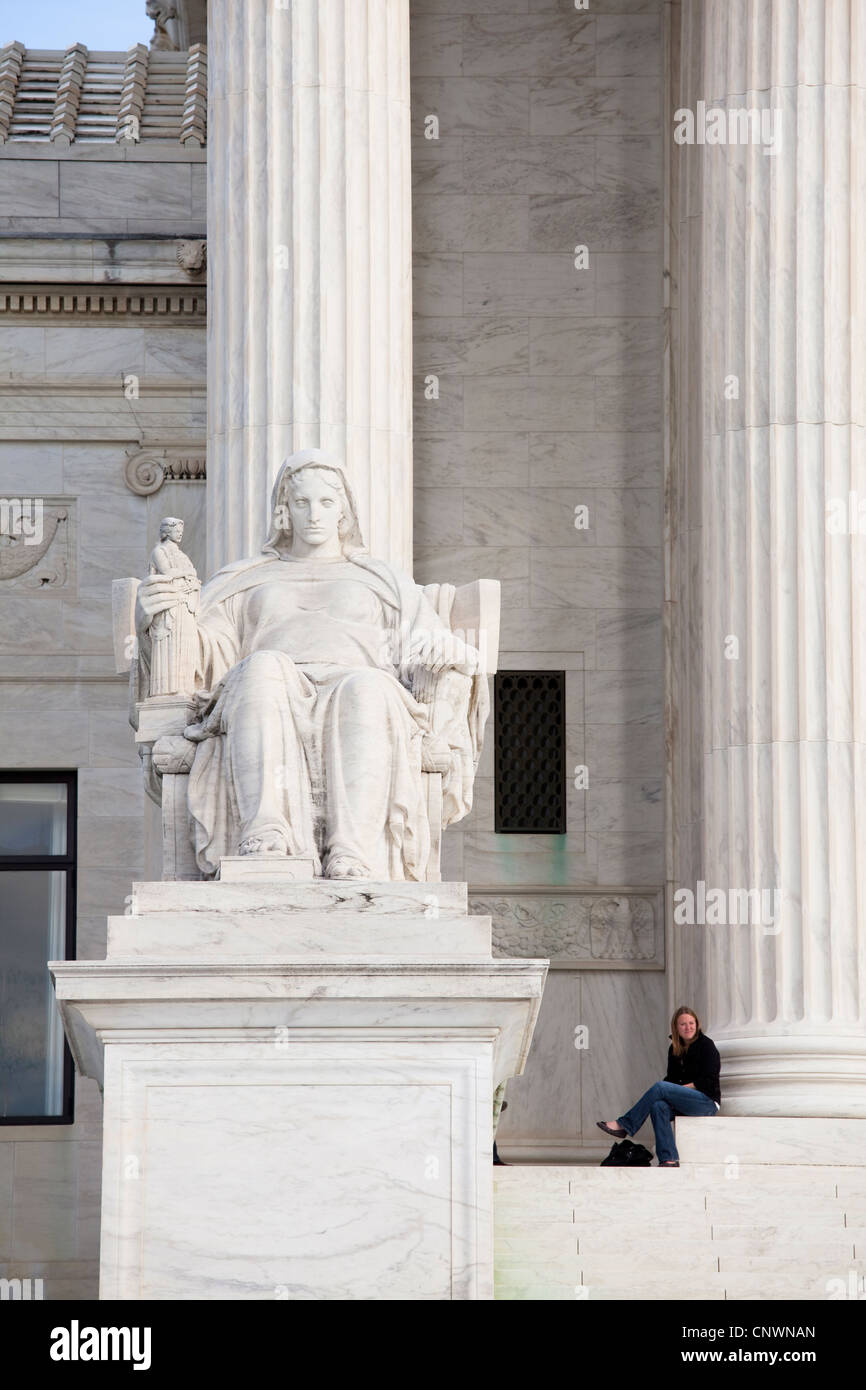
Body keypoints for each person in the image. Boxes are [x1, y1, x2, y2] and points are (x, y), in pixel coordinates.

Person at [134, 449, 488, 879]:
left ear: (344, 512)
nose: (314, 515)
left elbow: (429, 647)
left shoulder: (384, 581)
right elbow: (202, 656)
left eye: (326, 502)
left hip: (359, 684)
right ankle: (266, 834)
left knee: (367, 688)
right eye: (302, 503)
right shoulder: (243, 580)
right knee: (263, 667)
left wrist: (451, 653)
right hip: (267, 685)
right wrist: (158, 617)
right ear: (284, 511)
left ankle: (353, 851)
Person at [596, 1007, 720, 1166]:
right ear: (676, 1027)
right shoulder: (674, 1049)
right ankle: (669, 1159)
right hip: (685, 1102)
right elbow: (671, 1079)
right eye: (683, 1024)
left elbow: (707, 1081)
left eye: (691, 1023)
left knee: (661, 1088)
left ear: (697, 1024)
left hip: (707, 1102)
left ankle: (625, 1124)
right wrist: (672, 1090)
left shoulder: (706, 1045)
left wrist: (675, 1090)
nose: (688, 1027)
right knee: (658, 1106)